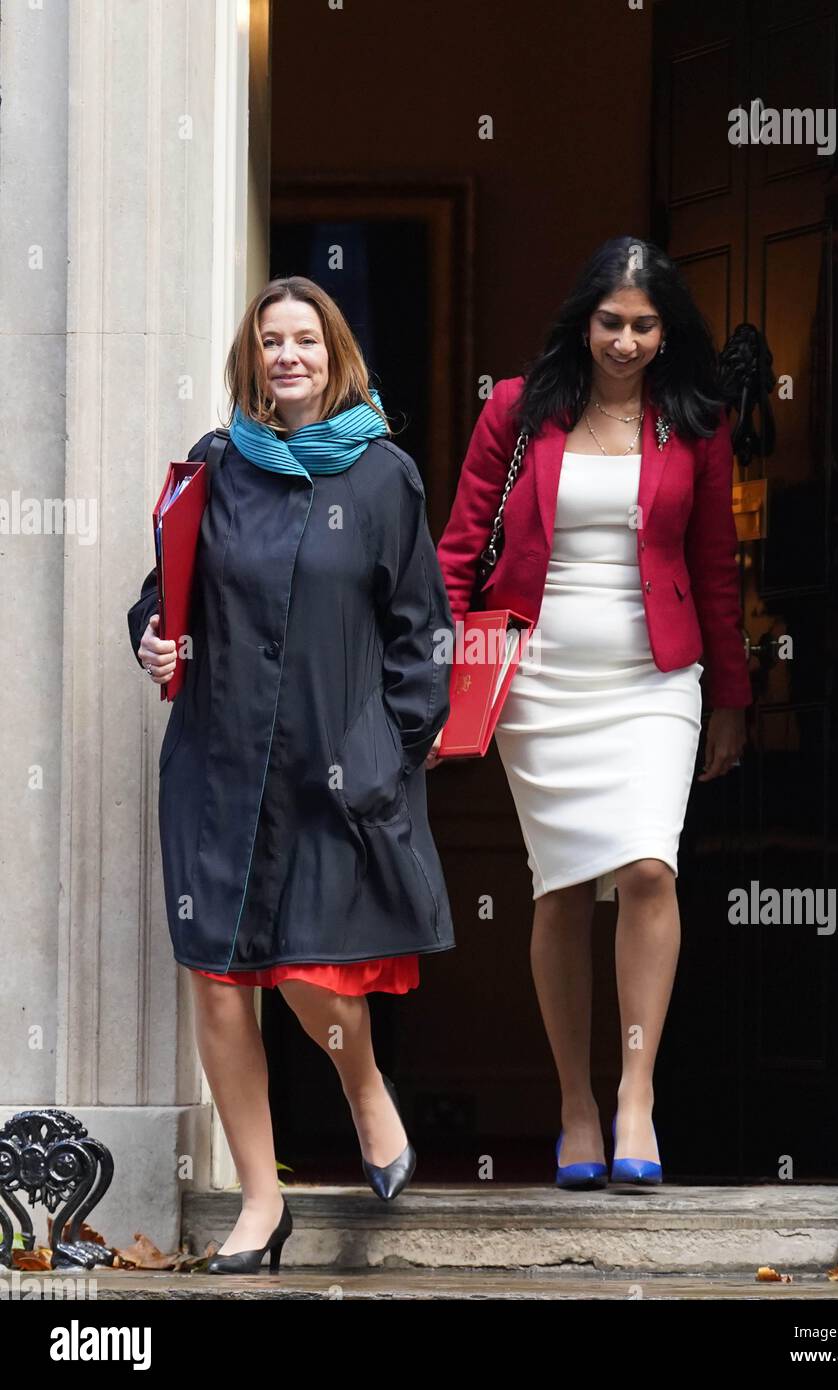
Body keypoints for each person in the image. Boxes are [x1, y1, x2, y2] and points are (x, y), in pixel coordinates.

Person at [127, 275, 453, 1271]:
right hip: (218, 762)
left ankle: (364, 1091)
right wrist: (153, 637)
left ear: (334, 352)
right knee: (220, 981)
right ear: (252, 358)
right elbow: (161, 595)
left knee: (314, 968)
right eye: (271, 341)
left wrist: (390, 750)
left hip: (331, 765)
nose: (288, 356)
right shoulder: (215, 466)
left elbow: (422, 631)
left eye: (305, 339)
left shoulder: (383, 476)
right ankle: (262, 1202)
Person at [432, 236, 751, 1188]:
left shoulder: (697, 423)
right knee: (562, 885)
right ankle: (574, 1103)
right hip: (538, 679)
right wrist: (444, 677)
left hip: (654, 679)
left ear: (666, 332)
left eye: (644, 326)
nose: (625, 341)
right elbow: (458, 550)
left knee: (649, 866)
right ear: (583, 322)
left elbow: (715, 569)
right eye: (610, 322)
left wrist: (731, 698)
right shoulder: (516, 409)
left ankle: (634, 1095)